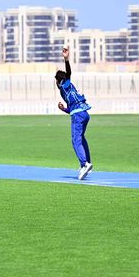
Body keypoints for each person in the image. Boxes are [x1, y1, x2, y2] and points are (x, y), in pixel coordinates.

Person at [55, 47, 92, 180]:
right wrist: (64, 109)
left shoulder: (65, 84)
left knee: (75, 141)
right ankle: (87, 162)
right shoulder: (68, 89)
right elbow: (72, 108)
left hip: (78, 115)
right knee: (81, 138)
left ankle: (85, 164)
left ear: (59, 81)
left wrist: (66, 59)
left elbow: (68, 73)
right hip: (84, 113)